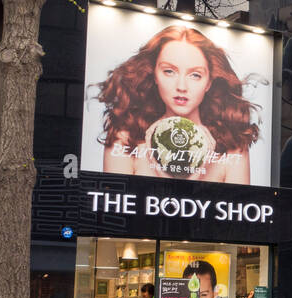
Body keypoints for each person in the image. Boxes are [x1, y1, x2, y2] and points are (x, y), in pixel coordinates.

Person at [97, 25, 260, 184]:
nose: (181, 86)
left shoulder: (232, 147)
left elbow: (238, 203)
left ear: (209, 82)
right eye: (169, 71)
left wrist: (200, 170)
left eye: (195, 75)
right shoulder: (126, 139)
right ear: (154, 75)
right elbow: (113, 201)